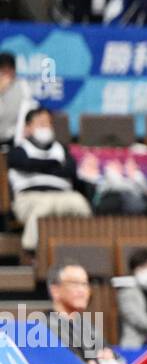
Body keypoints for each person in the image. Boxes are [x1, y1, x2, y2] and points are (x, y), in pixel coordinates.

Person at [8, 107, 92, 253]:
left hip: (63, 195)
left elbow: (70, 170)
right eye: (40, 123)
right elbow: (26, 163)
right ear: (27, 128)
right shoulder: (19, 150)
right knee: (44, 206)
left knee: (79, 202)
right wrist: (55, 165)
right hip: (30, 197)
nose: (45, 128)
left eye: (48, 124)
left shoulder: (62, 150)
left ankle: (88, 247)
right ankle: (31, 250)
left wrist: (42, 166)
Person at [0, 52, 36, 146]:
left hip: (14, 139)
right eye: (3, 70)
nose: (6, 73)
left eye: (10, 69)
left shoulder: (23, 86)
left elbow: (29, 110)